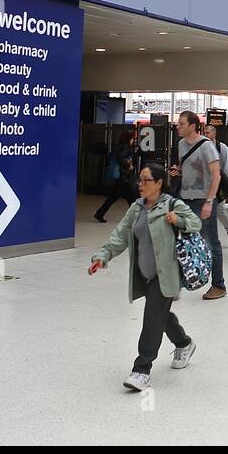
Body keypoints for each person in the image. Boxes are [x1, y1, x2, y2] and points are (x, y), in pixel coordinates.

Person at [88, 164, 200, 392]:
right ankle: (184, 343)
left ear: (159, 183)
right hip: (145, 274)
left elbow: (195, 223)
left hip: (166, 274)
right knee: (159, 315)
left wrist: (177, 220)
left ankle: (141, 370)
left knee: (151, 320)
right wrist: (103, 256)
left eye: (146, 180)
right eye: (139, 180)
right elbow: (120, 234)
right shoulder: (137, 208)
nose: (140, 184)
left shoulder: (172, 204)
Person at [169, 111, 226, 300]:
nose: (178, 126)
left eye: (182, 123)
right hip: (185, 199)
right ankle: (181, 281)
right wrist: (178, 171)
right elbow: (186, 167)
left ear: (193, 126)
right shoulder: (181, 144)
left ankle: (219, 285)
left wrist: (209, 201)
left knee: (210, 242)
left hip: (203, 200)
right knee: (183, 241)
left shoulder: (207, 146)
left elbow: (216, 175)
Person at [92, 129, 137, 224]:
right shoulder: (126, 147)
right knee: (130, 198)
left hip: (120, 176)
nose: (133, 141)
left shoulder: (118, 146)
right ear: (129, 139)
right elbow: (121, 158)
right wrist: (129, 166)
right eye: (132, 139)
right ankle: (136, 217)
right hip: (123, 176)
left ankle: (100, 213)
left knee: (118, 197)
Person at [204, 125, 228, 248]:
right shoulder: (202, 148)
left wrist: (224, 186)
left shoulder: (222, 148)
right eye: (204, 132)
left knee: (220, 210)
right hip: (204, 185)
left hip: (217, 185)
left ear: (214, 134)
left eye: (208, 133)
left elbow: (227, 169)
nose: (206, 135)